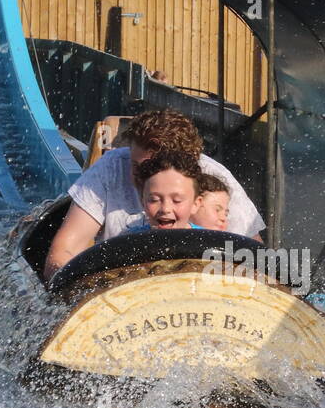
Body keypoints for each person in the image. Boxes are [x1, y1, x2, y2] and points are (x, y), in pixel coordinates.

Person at [44, 109, 263, 280]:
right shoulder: (112, 168)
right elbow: (63, 253)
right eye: (137, 166)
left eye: (176, 198)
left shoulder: (217, 182)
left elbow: (257, 261)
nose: (141, 178)